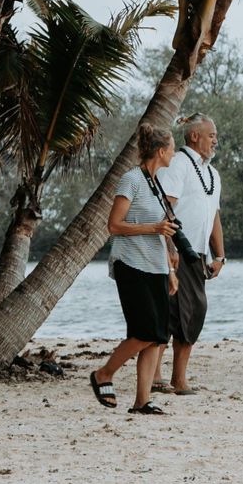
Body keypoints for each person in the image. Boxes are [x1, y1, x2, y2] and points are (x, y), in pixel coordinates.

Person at [89, 126, 180, 415]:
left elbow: (162, 231)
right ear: (162, 151)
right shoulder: (131, 180)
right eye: (173, 148)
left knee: (156, 335)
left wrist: (171, 269)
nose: (175, 153)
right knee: (143, 331)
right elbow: (114, 225)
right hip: (130, 264)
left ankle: (142, 402)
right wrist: (153, 227)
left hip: (155, 266)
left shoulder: (156, 185)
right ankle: (104, 373)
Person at [164, 116, 227, 395]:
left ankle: (174, 377)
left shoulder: (212, 174)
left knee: (193, 312)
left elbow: (213, 216)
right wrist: (169, 248)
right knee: (176, 313)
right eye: (211, 134)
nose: (215, 139)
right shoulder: (179, 163)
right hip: (177, 250)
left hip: (198, 254)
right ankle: (174, 379)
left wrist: (220, 256)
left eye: (215, 135)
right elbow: (166, 207)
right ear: (193, 136)